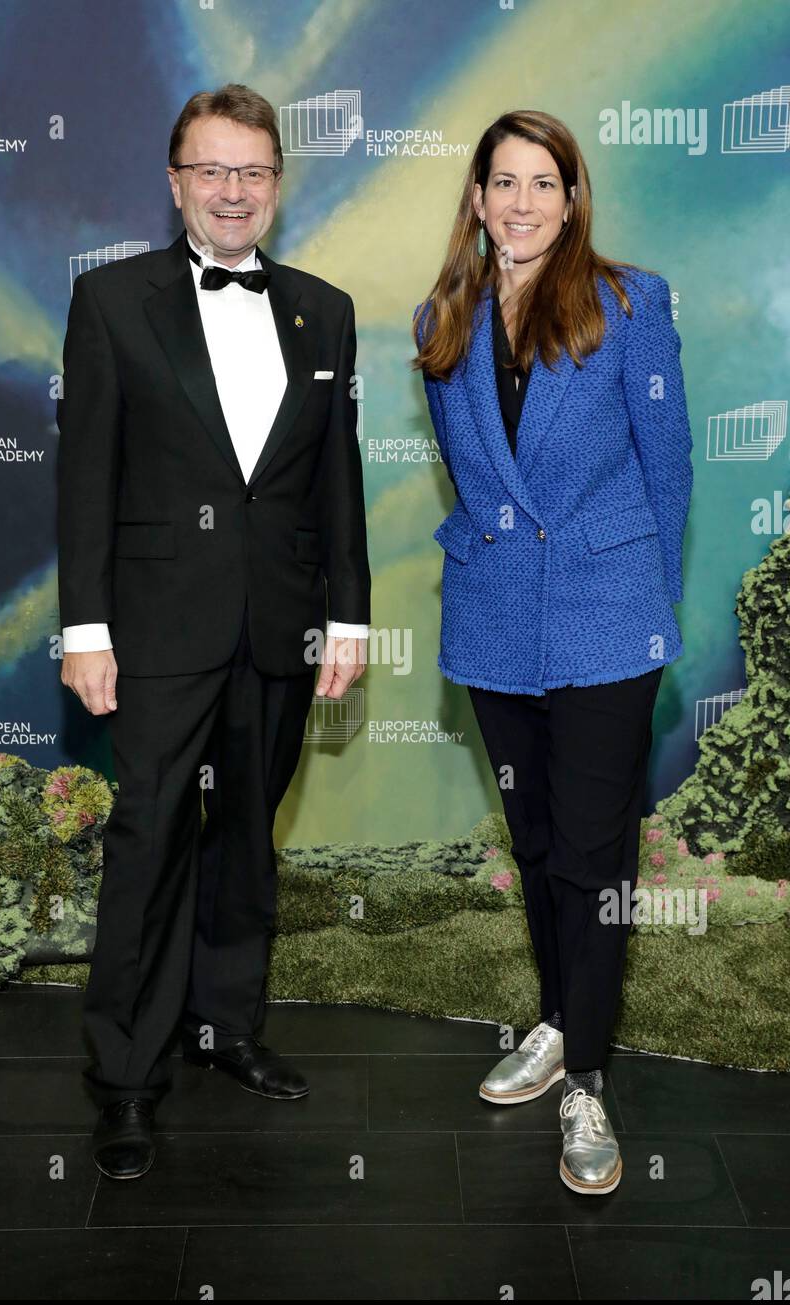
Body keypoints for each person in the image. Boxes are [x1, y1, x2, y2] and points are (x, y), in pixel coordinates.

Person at [57, 84, 370, 1180]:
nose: (233, 191)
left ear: (278, 184)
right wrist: (85, 627)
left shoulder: (323, 311)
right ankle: (126, 1077)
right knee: (148, 841)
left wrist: (349, 614)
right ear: (176, 180)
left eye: (254, 172)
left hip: (280, 624)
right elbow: (84, 477)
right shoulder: (110, 303)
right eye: (212, 170)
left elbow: (338, 480)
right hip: (151, 626)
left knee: (246, 835)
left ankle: (225, 1027)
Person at [412, 109, 693, 1195]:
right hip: (494, 620)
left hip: (606, 620)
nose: (523, 202)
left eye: (544, 182)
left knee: (592, 855)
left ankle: (588, 1078)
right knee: (533, 843)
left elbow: (666, 472)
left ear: (574, 199)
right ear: (477, 200)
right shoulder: (442, 317)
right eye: (503, 183)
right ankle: (559, 1018)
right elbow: (470, 475)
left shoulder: (631, 304)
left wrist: (646, 608)